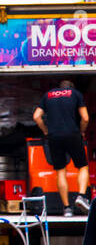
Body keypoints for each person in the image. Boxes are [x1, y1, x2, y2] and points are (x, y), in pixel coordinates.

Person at [33, 80, 91, 216]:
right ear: (71, 88)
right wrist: (82, 131)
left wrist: (46, 131)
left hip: (54, 136)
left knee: (60, 171)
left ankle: (67, 208)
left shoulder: (48, 95)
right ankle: (81, 197)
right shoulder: (76, 94)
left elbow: (36, 116)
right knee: (82, 167)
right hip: (72, 134)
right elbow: (86, 118)